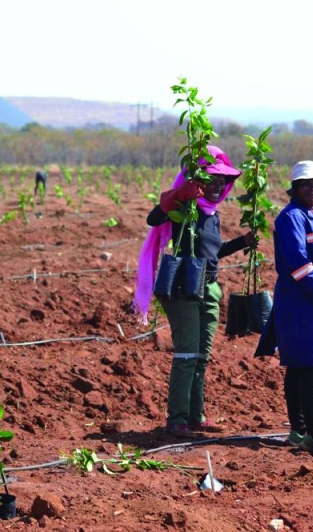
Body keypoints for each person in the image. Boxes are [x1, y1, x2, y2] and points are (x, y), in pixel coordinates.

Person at [134, 146, 256, 437]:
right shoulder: (184, 211)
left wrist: (243, 242)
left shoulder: (212, 216)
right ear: (195, 179)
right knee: (187, 354)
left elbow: (212, 253)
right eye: (211, 179)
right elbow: (154, 218)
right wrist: (179, 195)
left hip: (210, 288)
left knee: (202, 355)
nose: (218, 186)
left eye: (222, 181)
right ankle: (176, 419)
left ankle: (195, 416)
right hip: (182, 288)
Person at [259, 160, 313, 452]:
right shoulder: (290, 218)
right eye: (306, 184)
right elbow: (299, 265)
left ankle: (300, 431)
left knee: (299, 369)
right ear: (294, 188)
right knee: (309, 368)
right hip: (300, 306)